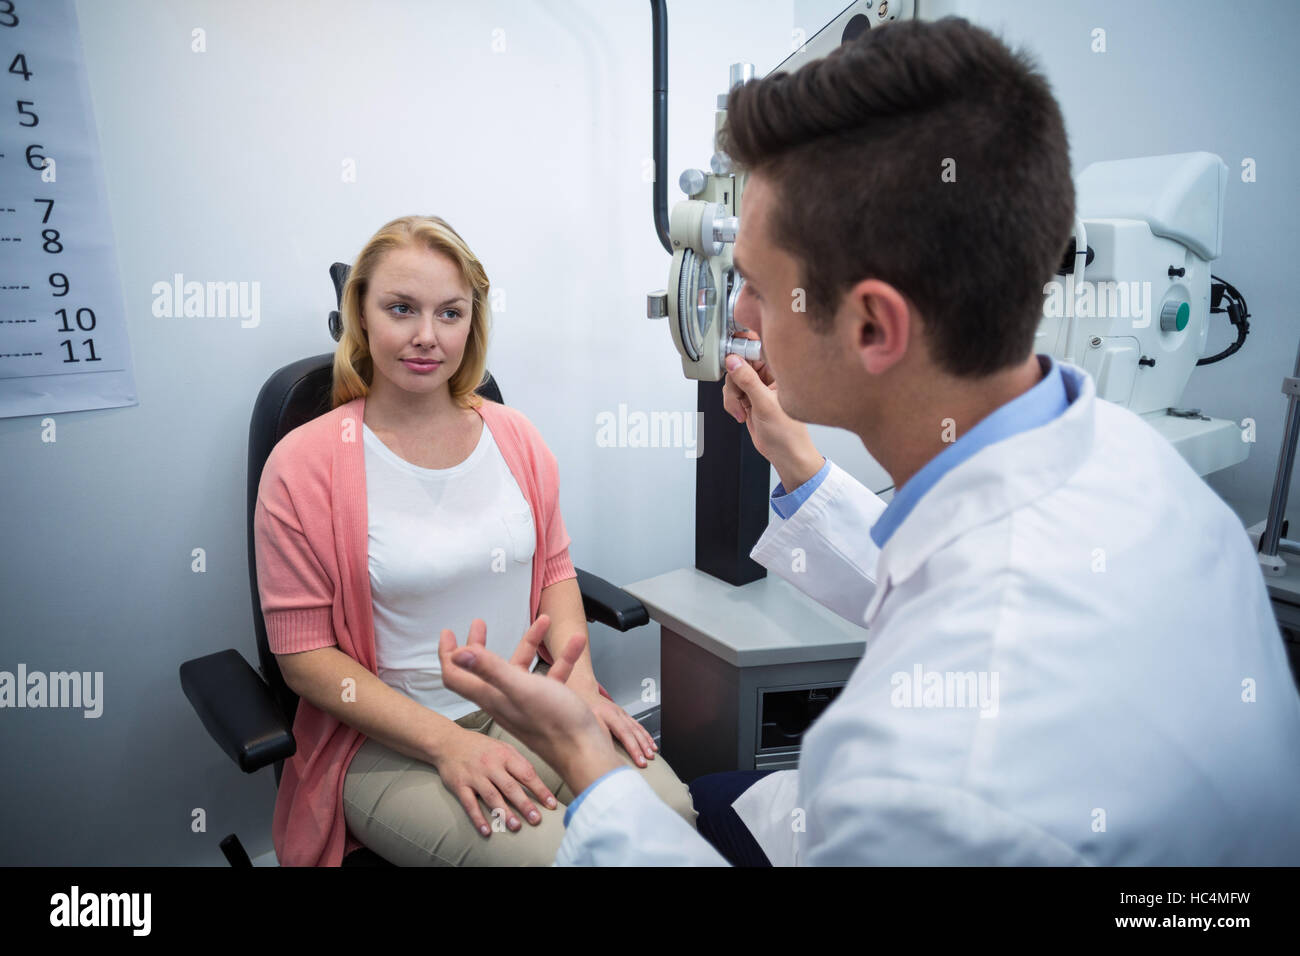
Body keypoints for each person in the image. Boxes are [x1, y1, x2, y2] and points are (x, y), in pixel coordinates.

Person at [436, 16, 1300, 865]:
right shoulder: (1127, 452)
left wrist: (582, 754)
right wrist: (797, 461)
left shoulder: (930, 774)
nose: (738, 315)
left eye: (759, 289)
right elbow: (935, 574)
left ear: (873, 325)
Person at [253, 215, 696, 866]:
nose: (426, 336)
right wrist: (447, 744)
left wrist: (578, 695)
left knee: (675, 815)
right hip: (390, 741)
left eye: (450, 313)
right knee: (565, 858)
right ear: (362, 318)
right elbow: (305, 659)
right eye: (401, 309)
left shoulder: (515, 437)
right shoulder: (304, 465)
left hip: (529, 701)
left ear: (473, 323)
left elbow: (555, 572)